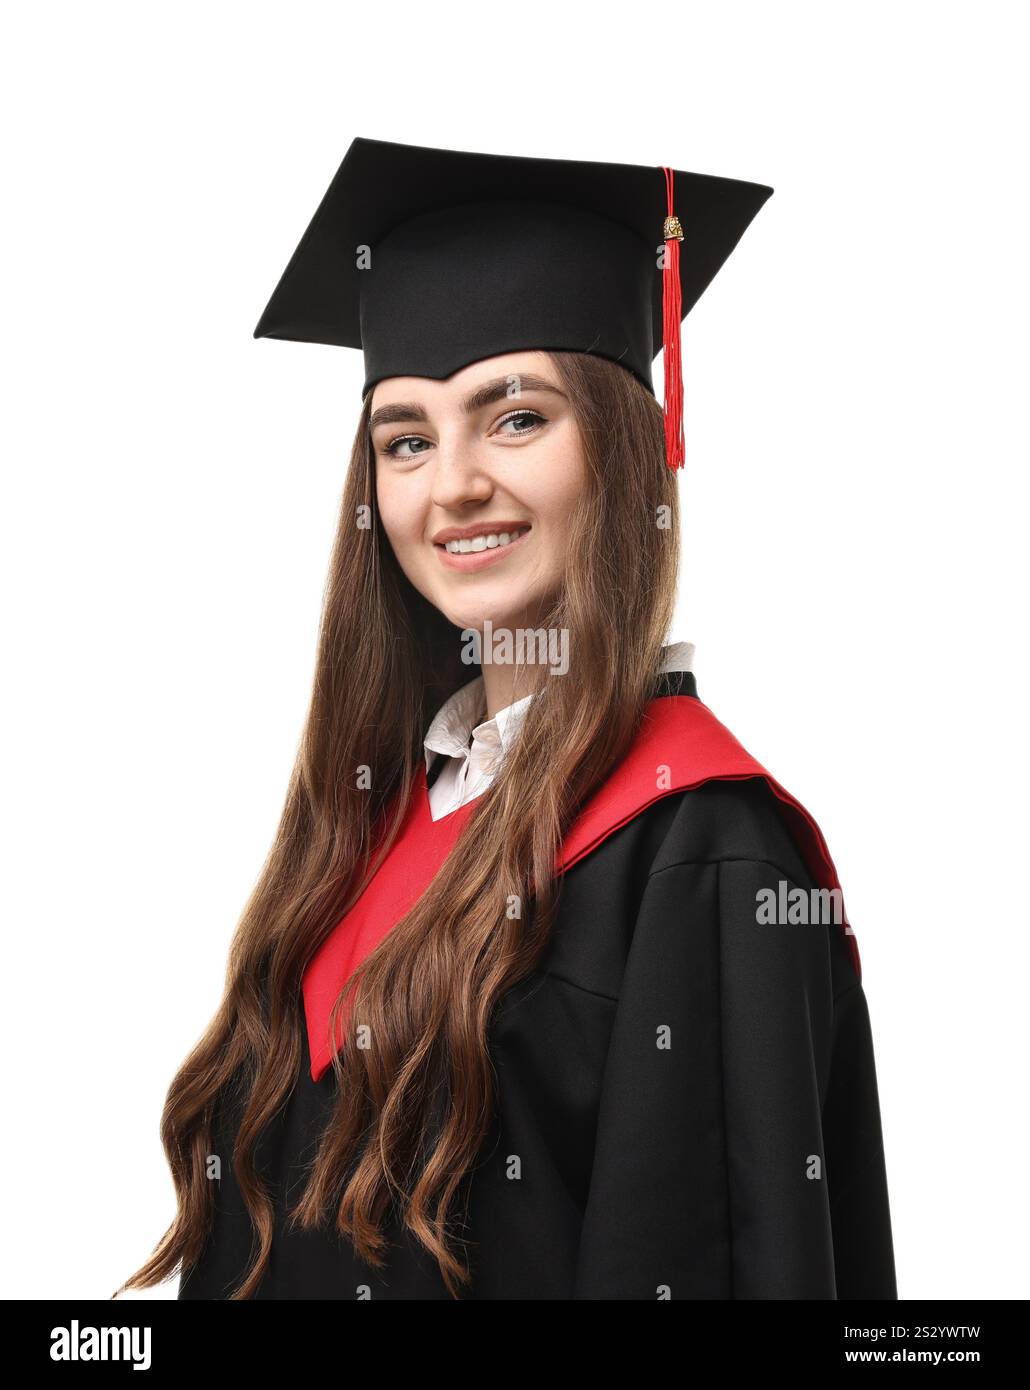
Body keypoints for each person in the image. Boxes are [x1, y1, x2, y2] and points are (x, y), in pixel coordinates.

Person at [119, 138, 896, 1300]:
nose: (453, 486)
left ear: (623, 445)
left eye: (517, 418)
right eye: (407, 439)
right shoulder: (360, 829)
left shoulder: (701, 851)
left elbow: (720, 1259)